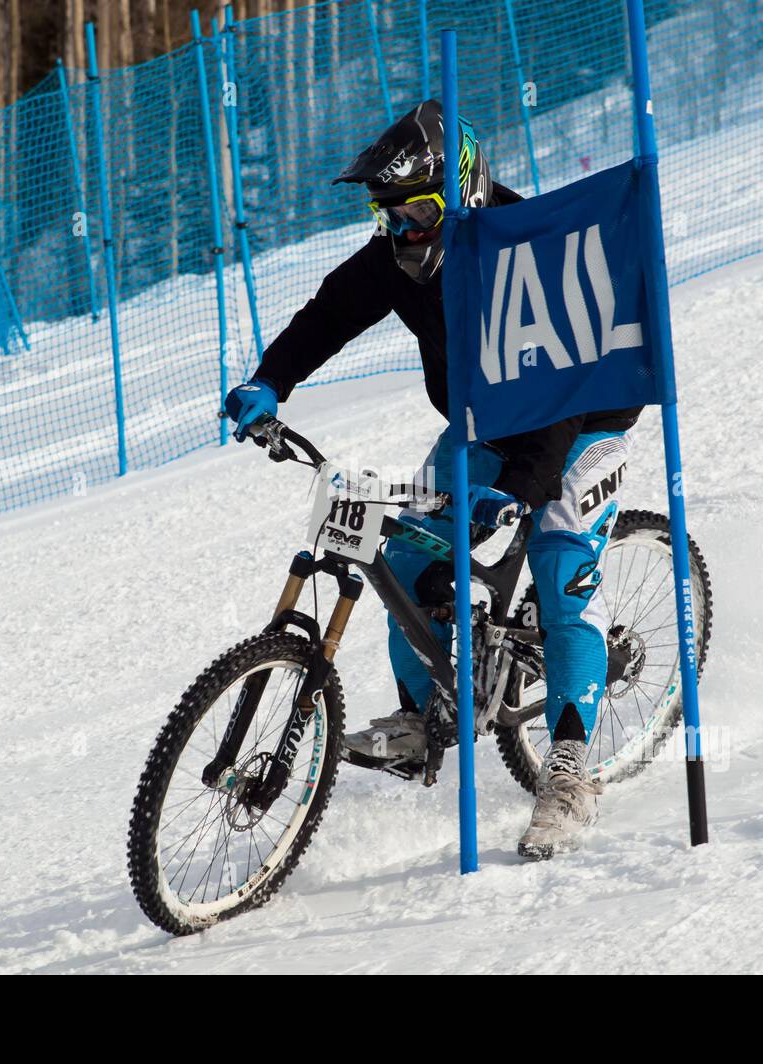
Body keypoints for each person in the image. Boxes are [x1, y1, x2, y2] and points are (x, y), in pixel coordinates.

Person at [224, 100, 641, 860]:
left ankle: (570, 769)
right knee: (409, 554)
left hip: (580, 416)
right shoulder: (400, 254)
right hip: (487, 420)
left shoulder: (531, 248)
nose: (404, 230)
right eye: (388, 215)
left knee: (557, 562)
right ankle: (424, 720)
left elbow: (564, 386)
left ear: (464, 190)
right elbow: (330, 313)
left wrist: (519, 490)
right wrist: (269, 381)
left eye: (418, 211)